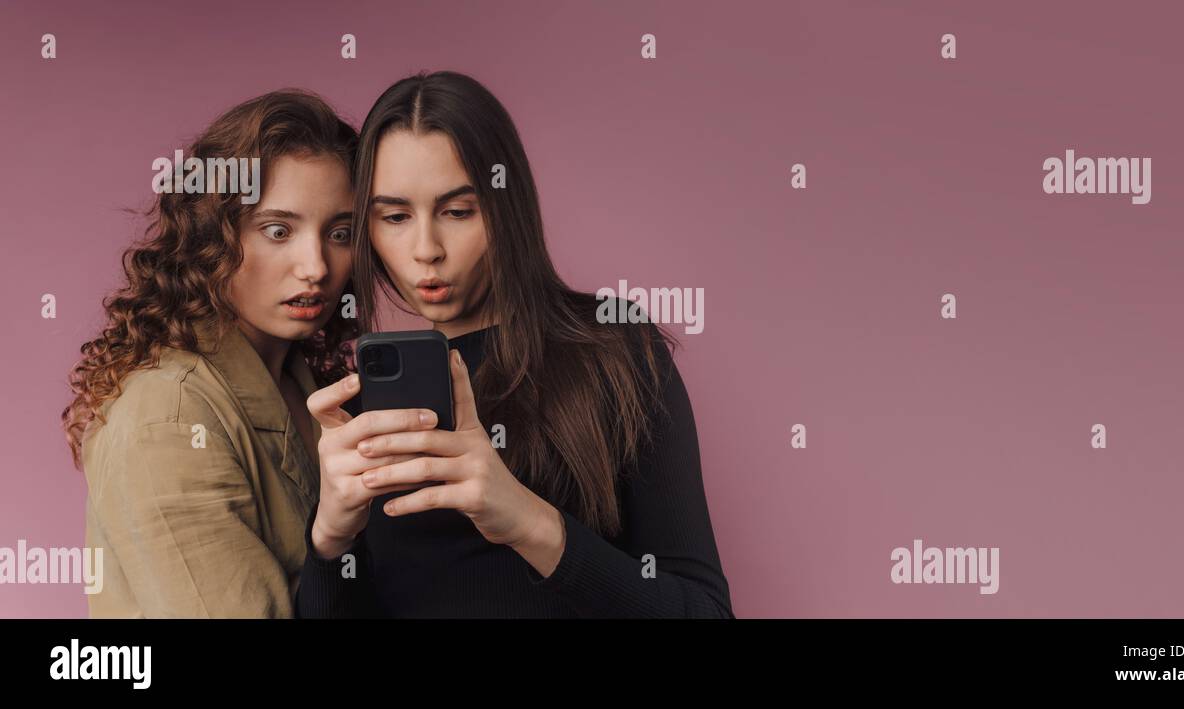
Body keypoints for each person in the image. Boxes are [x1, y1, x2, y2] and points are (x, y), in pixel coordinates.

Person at [297, 71, 733, 618]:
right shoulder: (362, 406)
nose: (425, 249)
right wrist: (330, 541)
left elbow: (706, 611)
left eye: (458, 211)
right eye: (395, 217)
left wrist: (527, 521)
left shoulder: (615, 352)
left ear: (508, 206)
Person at [63, 90, 361, 617]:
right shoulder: (170, 417)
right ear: (214, 235)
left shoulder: (306, 382)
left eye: (339, 233)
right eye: (278, 230)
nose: (316, 265)